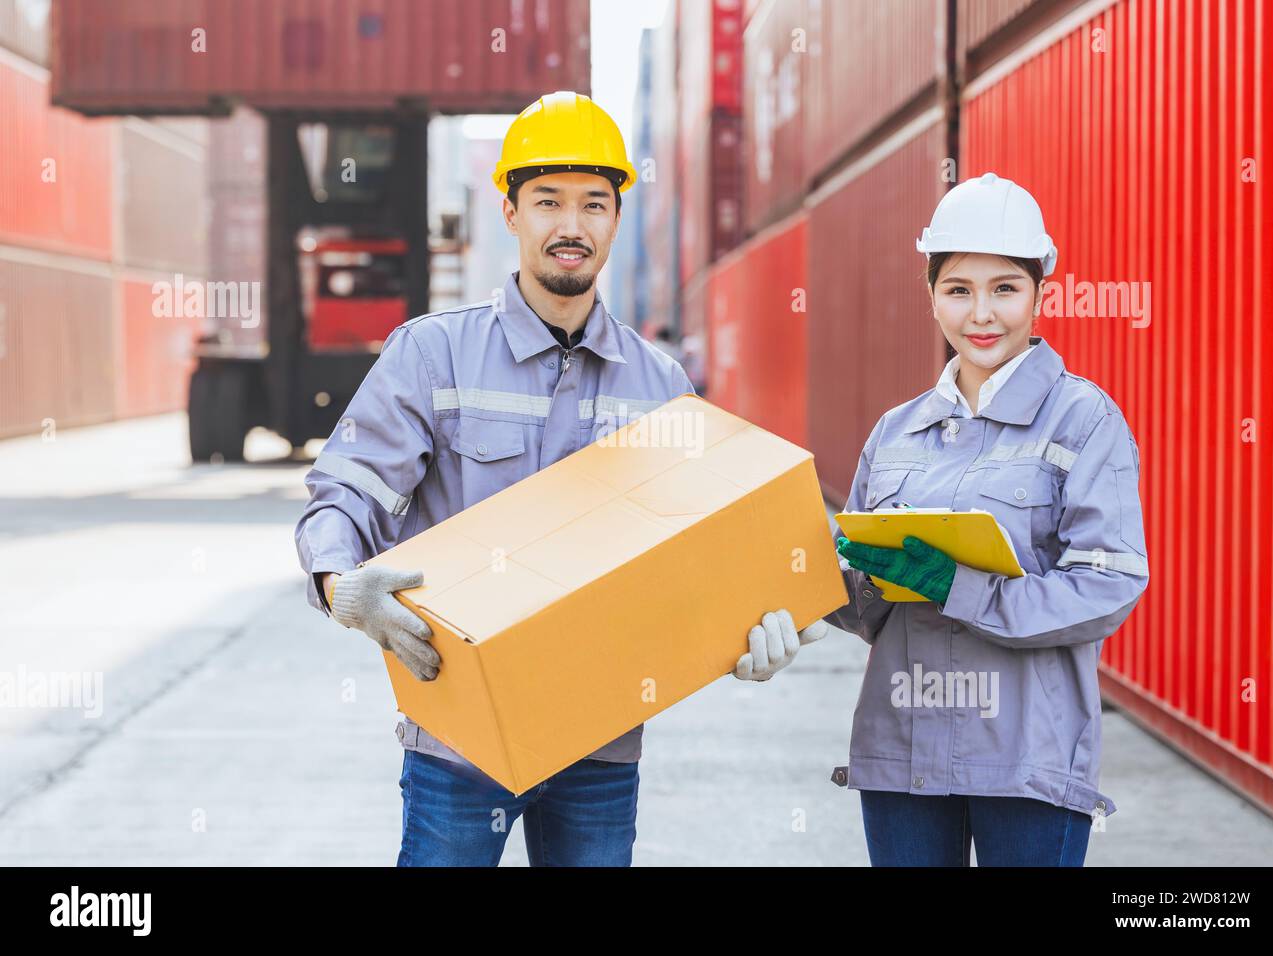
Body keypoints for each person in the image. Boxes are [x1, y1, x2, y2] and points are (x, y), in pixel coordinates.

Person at [293, 91, 824, 867]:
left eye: (593, 205)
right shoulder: (431, 355)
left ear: (615, 219)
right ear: (510, 212)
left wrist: (752, 627)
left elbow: (703, 555)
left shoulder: (661, 385)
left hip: (602, 747)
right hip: (457, 741)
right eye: (547, 202)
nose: (570, 226)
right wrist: (342, 586)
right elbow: (347, 491)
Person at [823, 172, 1149, 866]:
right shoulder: (896, 432)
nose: (982, 314)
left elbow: (1108, 584)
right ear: (931, 295)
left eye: (1004, 288)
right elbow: (864, 609)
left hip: (1026, 760)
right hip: (902, 749)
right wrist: (825, 575)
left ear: (1040, 294)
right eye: (958, 289)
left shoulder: (1084, 420)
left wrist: (961, 587)